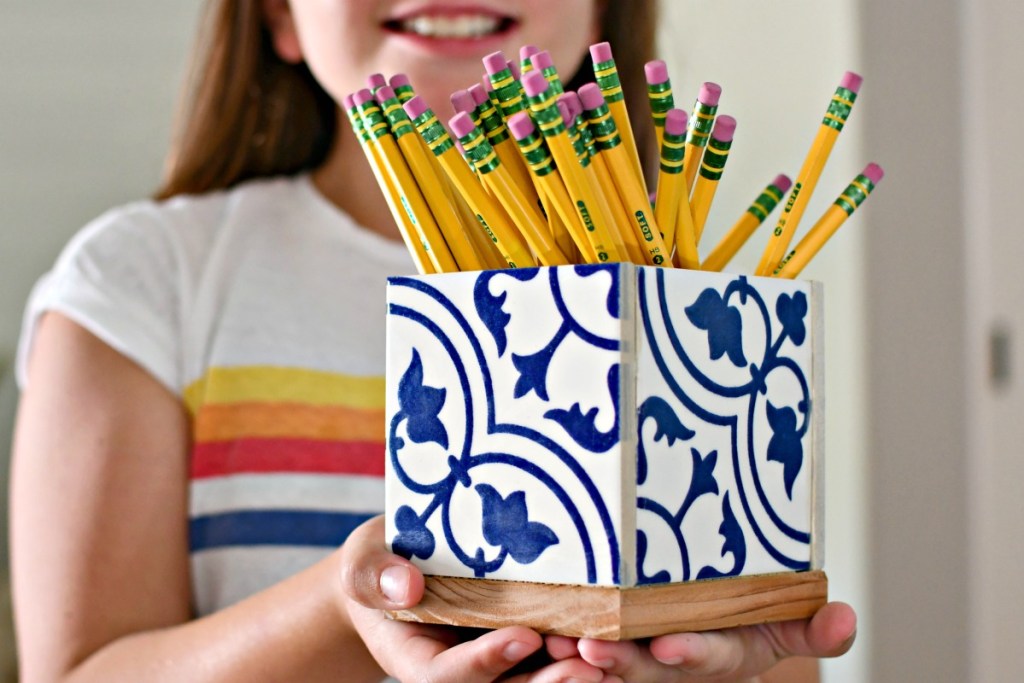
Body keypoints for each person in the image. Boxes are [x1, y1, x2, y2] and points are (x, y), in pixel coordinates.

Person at [9, 0, 856, 680]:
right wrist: (350, 609)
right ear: (278, 13)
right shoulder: (141, 283)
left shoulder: (689, 311)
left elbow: (768, 645)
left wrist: (706, 656)